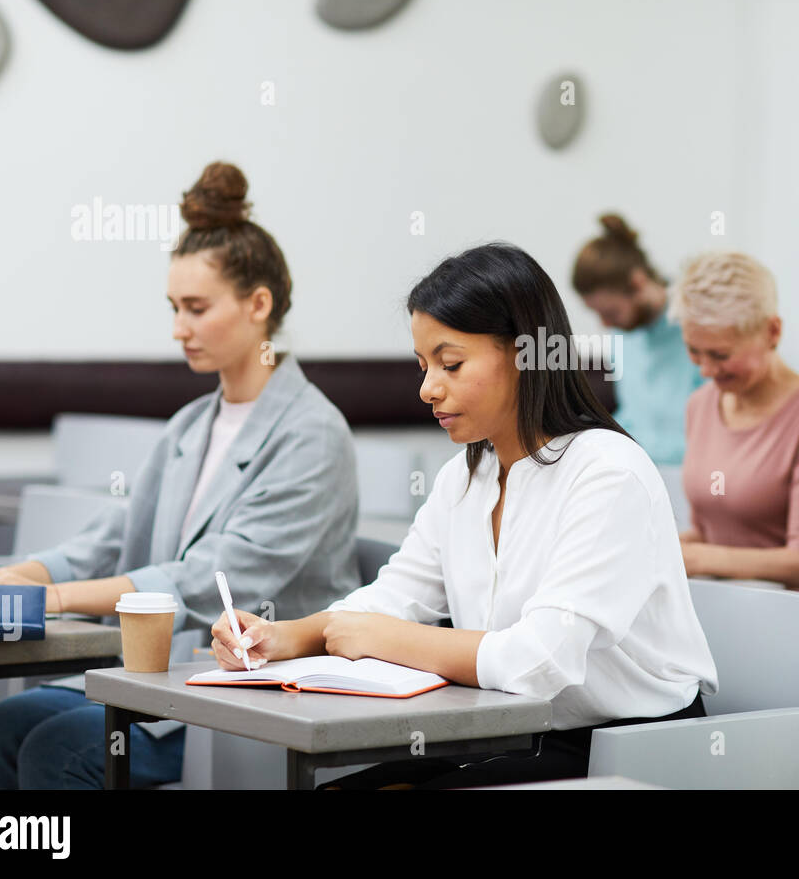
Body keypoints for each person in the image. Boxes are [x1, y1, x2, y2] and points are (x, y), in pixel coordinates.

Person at [209, 242, 718, 789]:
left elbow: (538, 661)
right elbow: (396, 597)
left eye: (451, 364)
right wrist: (282, 637)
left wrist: (377, 637)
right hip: (511, 727)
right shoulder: (466, 476)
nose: (428, 388)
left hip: (627, 746)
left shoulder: (608, 473)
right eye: (424, 366)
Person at [0, 162, 361, 789]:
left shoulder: (312, 435)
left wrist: (46, 600)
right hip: (168, 677)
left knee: (56, 749)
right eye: (174, 308)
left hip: (255, 696)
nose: (179, 328)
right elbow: (115, 534)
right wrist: (5, 579)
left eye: (196, 308)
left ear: (258, 304)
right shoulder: (192, 424)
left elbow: (205, 580)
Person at [673, 252, 799, 588]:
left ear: (772, 331)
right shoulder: (700, 405)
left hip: (789, 609)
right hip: (718, 600)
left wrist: (693, 559)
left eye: (721, 354)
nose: (705, 370)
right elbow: (707, 531)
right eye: (694, 351)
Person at [571, 213, 704, 465]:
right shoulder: (623, 335)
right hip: (637, 468)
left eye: (611, 312)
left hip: (688, 472)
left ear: (638, 283)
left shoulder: (700, 327)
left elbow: (710, 435)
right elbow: (633, 417)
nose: (605, 324)